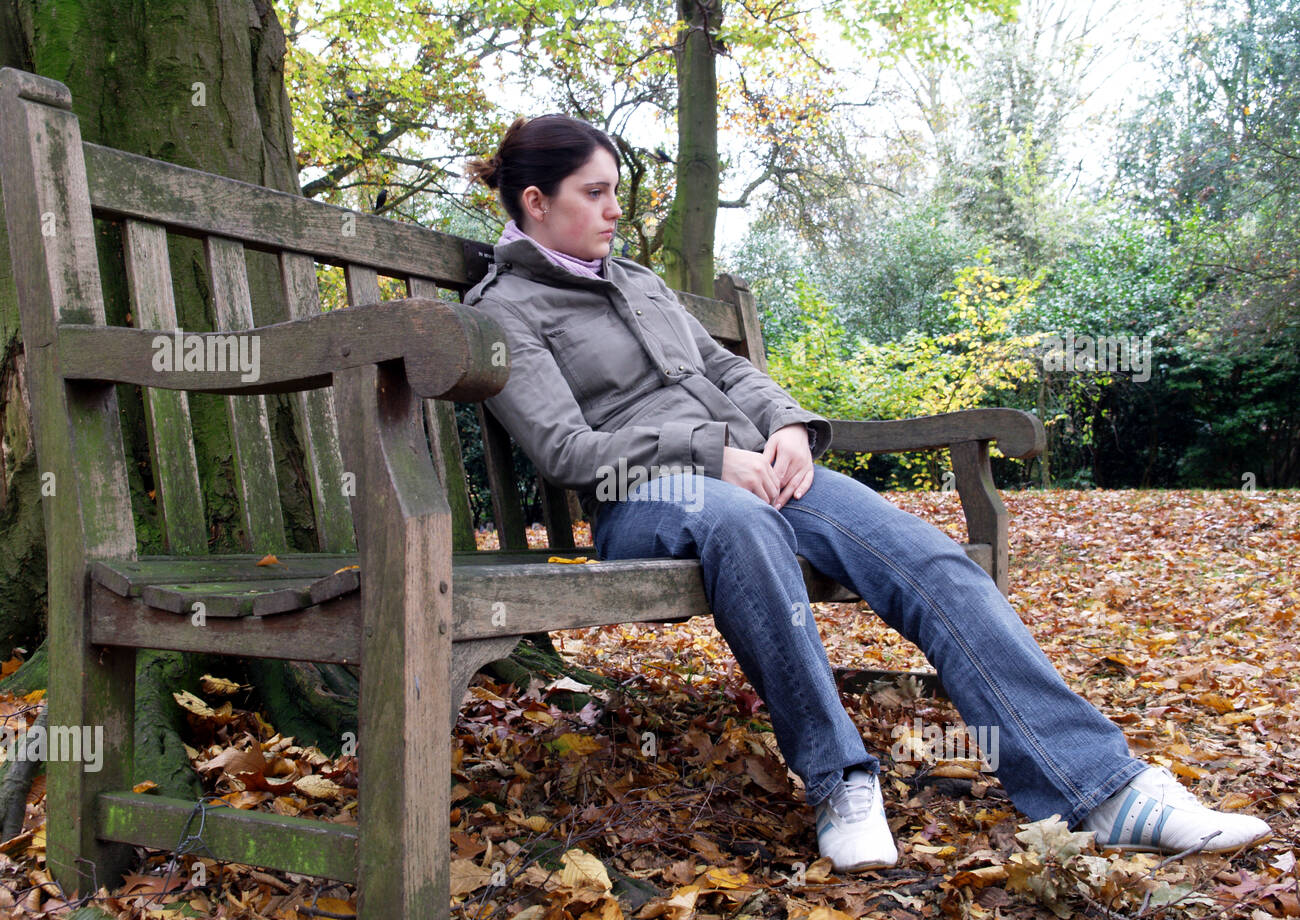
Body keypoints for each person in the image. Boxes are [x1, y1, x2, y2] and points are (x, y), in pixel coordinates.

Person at [462, 114, 1272, 872]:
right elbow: (567, 453)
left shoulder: (637, 281)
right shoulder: (504, 309)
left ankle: (1104, 788)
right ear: (536, 202)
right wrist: (707, 452)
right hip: (643, 502)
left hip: (752, 472)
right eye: (594, 193)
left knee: (931, 557)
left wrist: (785, 425)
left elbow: (723, 370)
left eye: (614, 189)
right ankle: (840, 779)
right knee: (744, 522)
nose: (614, 210)